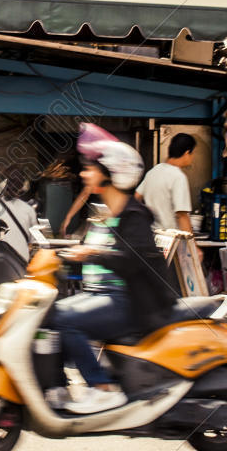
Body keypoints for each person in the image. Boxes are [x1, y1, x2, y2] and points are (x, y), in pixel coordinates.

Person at [48, 125, 180, 415]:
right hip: (101, 295)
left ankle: (102, 388)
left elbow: (131, 260)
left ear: (111, 174)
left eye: (91, 169)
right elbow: (91, 252)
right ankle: (55, 387)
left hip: (128, 304)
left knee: (66, 319)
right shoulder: (107, 214)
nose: (84, 174)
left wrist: (91, 253)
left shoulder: (135, 216)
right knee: (48, 313)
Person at [136, 132, 196, 239]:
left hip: (152, 236)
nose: (192, 158)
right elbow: (181, 215)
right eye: (192, 154)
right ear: (187, 153)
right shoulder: (178, 177)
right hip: (171, 240)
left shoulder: (154, 171)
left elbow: (136, 198)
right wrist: (193, 246)